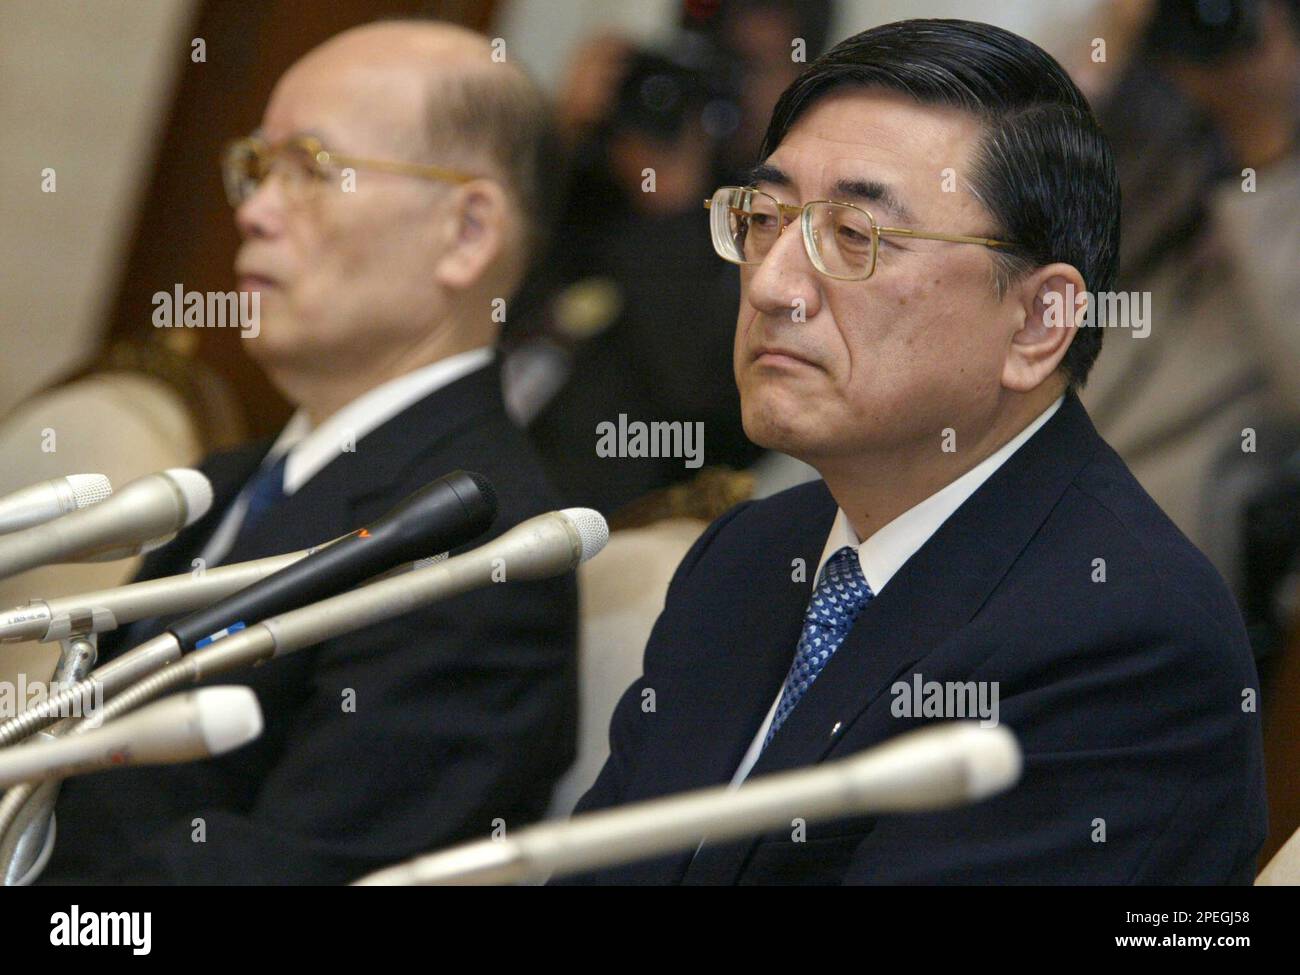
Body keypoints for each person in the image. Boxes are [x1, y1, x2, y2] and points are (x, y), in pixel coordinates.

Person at [566, 19, 1266, 884]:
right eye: (764, 218)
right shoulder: (749, 556)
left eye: (854, 236)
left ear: (1039, 322)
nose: (776, 284)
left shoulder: (1125, 638)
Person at [40, 20, 578, 884]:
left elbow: (297, 874)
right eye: (256, 167)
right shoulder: (229, 483)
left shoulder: (481, 550)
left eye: (311, 169)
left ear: (467, 232)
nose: (251, 210)